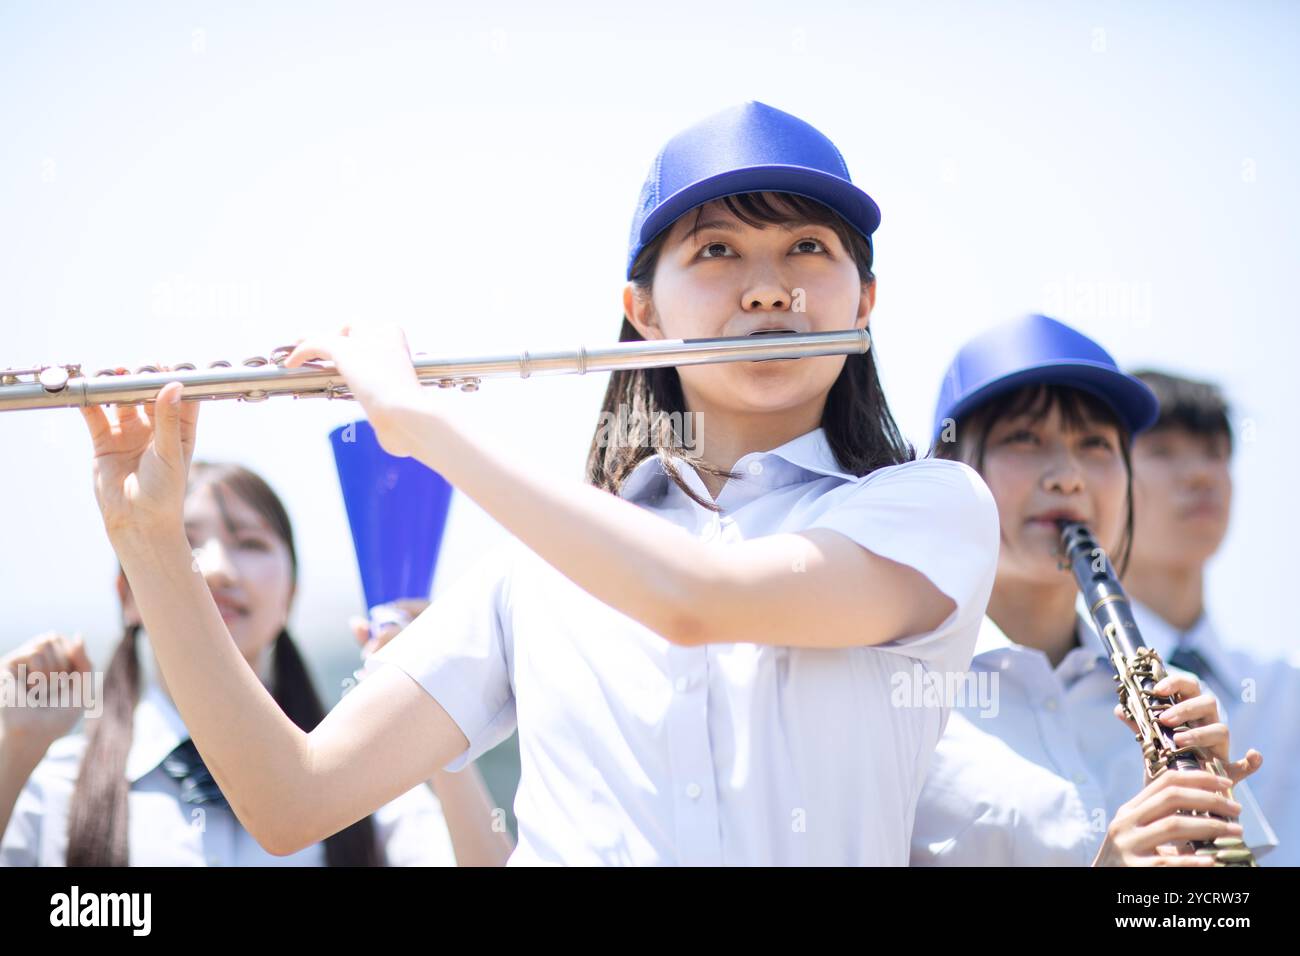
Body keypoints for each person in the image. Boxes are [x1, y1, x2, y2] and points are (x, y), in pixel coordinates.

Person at [75, 100, 1000, 865]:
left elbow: (696, 600)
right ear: (641, 312)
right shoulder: (538, 571)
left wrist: (423, 425)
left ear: (863, 302)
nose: (767, 290)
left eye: (807, 249)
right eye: (716, 251)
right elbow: (291, 799)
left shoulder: (929, 510)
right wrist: (150, 543)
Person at [0, 461, 510, 866]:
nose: (219, 570)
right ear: (127, 595)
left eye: (250, 543)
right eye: (183, 545)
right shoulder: (58, 786)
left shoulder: (361, 787)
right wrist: (16, 746)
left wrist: (432, 689)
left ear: (290, 593)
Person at [910, 314, 1271, 866]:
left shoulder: (1172, 696)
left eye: (1096, 444)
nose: (1067, 476)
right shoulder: (893, 683)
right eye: (1024, 439)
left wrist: (1215, 844)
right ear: (951, 468)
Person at [1123, 368, 1299, 866]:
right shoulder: (1062, 690)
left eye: (1215, 453)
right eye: (1162, 452)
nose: (1201, 474)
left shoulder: (1289, 692)